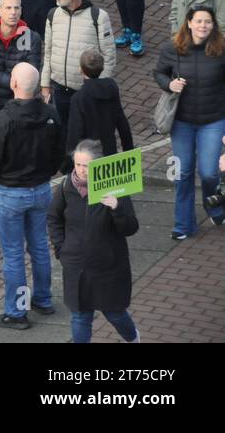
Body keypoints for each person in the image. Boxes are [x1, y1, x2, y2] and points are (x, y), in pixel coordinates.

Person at [0, 63, 65, 329]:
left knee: (14, 254)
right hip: (40, 189)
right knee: (39, 246)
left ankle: (16, 312)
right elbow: (59, 153)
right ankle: (43, 299)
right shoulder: (51, 115)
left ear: (13, 83)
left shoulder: (3, 119)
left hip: (10, 192)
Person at [48, 139, 141, 343]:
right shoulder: (66, 186)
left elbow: (131, 227)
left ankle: (133, 338)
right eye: (78, 164)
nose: (81, 170)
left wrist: (117, 208)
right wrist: (61, 248)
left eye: (86, 165)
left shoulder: (115, 187)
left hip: (108, 266)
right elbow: (54, 218)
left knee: (114, 313)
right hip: (76, 266)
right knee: (80, 317)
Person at [155, 8, 225, 238]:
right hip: (181, 122)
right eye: (199, 21)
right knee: (182, 173)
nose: (203, 26)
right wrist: (169, 84)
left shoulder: (221, 50)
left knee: (209, 173)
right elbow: (159, 73)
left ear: (213, 25)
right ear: (189, 23)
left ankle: (215, 206)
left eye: (208, 22)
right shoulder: (172, 48)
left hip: (213, 121)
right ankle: (183, 225)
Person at [41, 0, 118, 130]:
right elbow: (48, 52)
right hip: (59, 90)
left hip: (85, 91)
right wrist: (45, 85)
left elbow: (109, 55)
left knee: (87, 133)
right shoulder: (52, 15)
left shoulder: (98, 17)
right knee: (63, 133)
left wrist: (97, 87)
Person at [66, 50, 134, 157]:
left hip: (89, 155)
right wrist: (129, 151)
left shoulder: (79, 98)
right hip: (110, 151)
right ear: (102, 68)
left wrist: (71, 157)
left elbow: (75, 132)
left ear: (81, 70)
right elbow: (122, 123)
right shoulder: (111, 88)